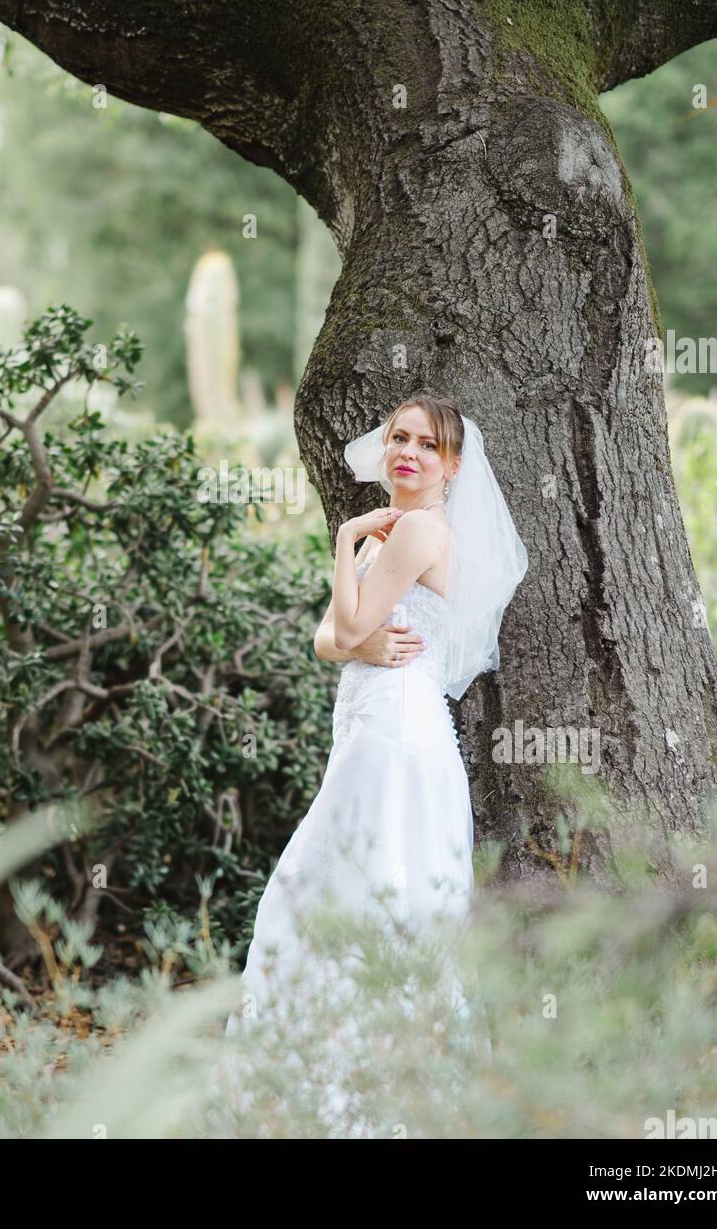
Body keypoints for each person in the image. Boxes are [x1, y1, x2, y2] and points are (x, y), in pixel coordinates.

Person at [223, 395, 528, 1080]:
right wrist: (352, 635)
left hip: (392, 731)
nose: (407, 453)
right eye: (399, 438)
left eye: (426, 445)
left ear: (451, 465)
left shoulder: (416, 532)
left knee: (351, 890)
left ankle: (356, 1085)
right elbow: (329, 639)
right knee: (362, 891)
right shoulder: (402, 529)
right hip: (384, 719)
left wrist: (344, 542)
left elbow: (349, 626)